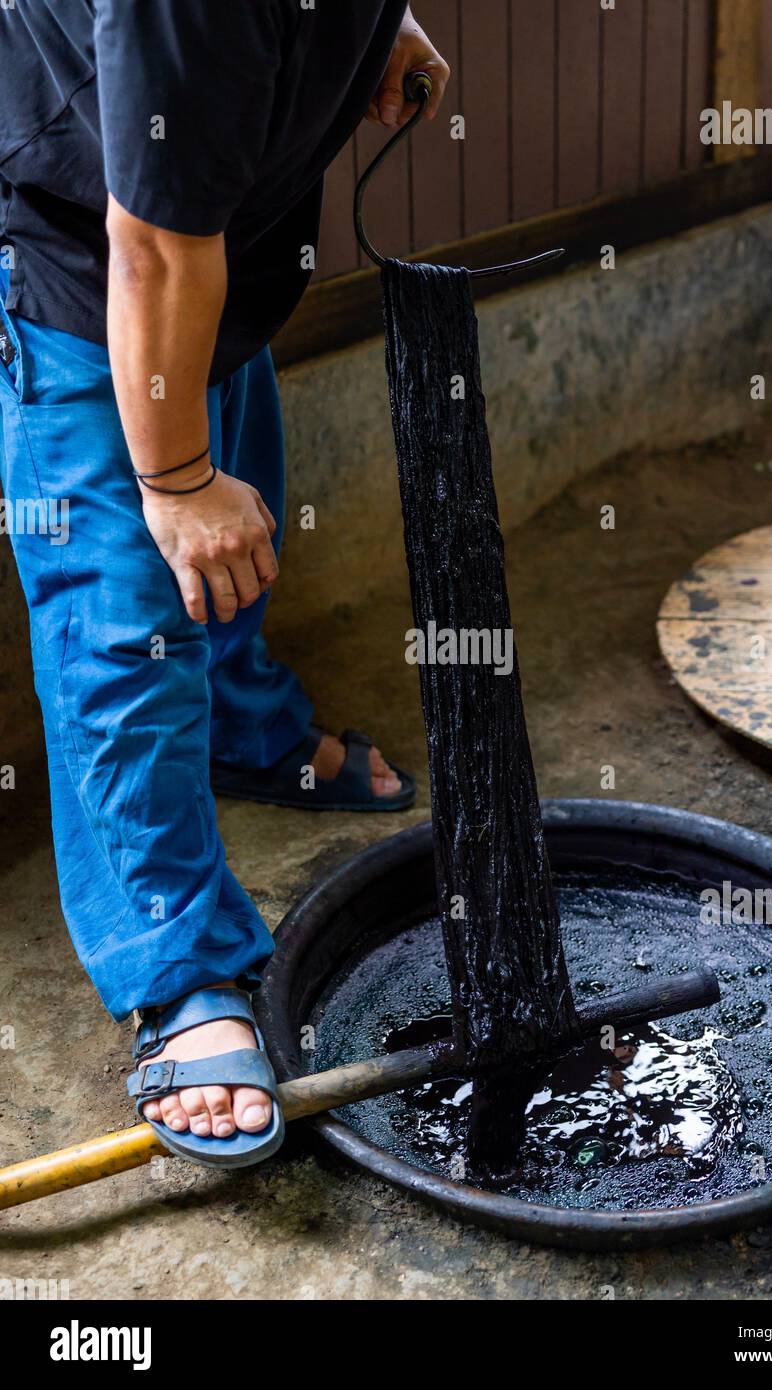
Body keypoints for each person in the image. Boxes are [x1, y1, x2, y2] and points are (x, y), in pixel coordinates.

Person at [0, 1, 449, 1166]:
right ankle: (177, 967)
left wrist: (375, 24)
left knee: (235, 470)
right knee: (126, 594)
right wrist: (175, 479)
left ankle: (241, 731)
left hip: (205, 211)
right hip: (71, 227)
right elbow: (151, 250)